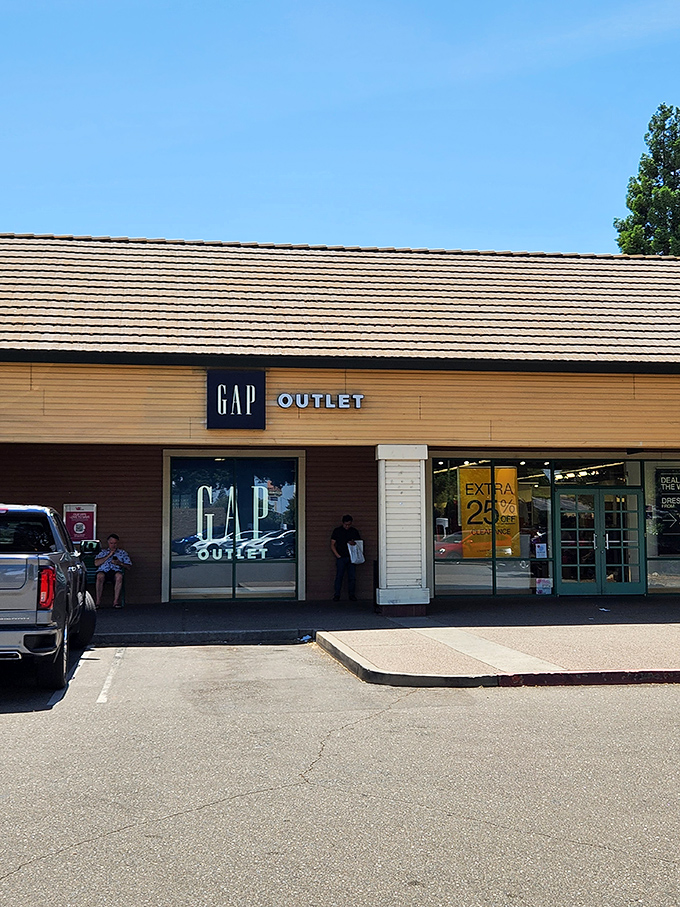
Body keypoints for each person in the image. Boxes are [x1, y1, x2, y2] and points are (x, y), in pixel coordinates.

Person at [95, 533, 132, 608]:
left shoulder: (122, 553)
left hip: (115, 571)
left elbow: (129, 566)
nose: (113, 545)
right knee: (99, 576)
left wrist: (120, 563)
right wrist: (109, 555)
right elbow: (96, 563)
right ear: (108, 543)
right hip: (104, 571)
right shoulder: (103, 552)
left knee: (119, 576)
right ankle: (98, 602)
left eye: (115, 543)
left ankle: (116, 602)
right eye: (111, 543)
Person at [330, 514, 361, 601]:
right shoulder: (337, 531)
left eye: (349, 524)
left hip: (352, 557)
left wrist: (354, 543)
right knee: (339, 576)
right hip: (341, 557)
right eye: (346, 524)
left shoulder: (354, 531)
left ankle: (352, 595)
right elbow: (332, 544)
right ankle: (337, 595)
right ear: (343, 523)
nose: (347, 526)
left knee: (352, 577)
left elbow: (359, 543)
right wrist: (338, 556)